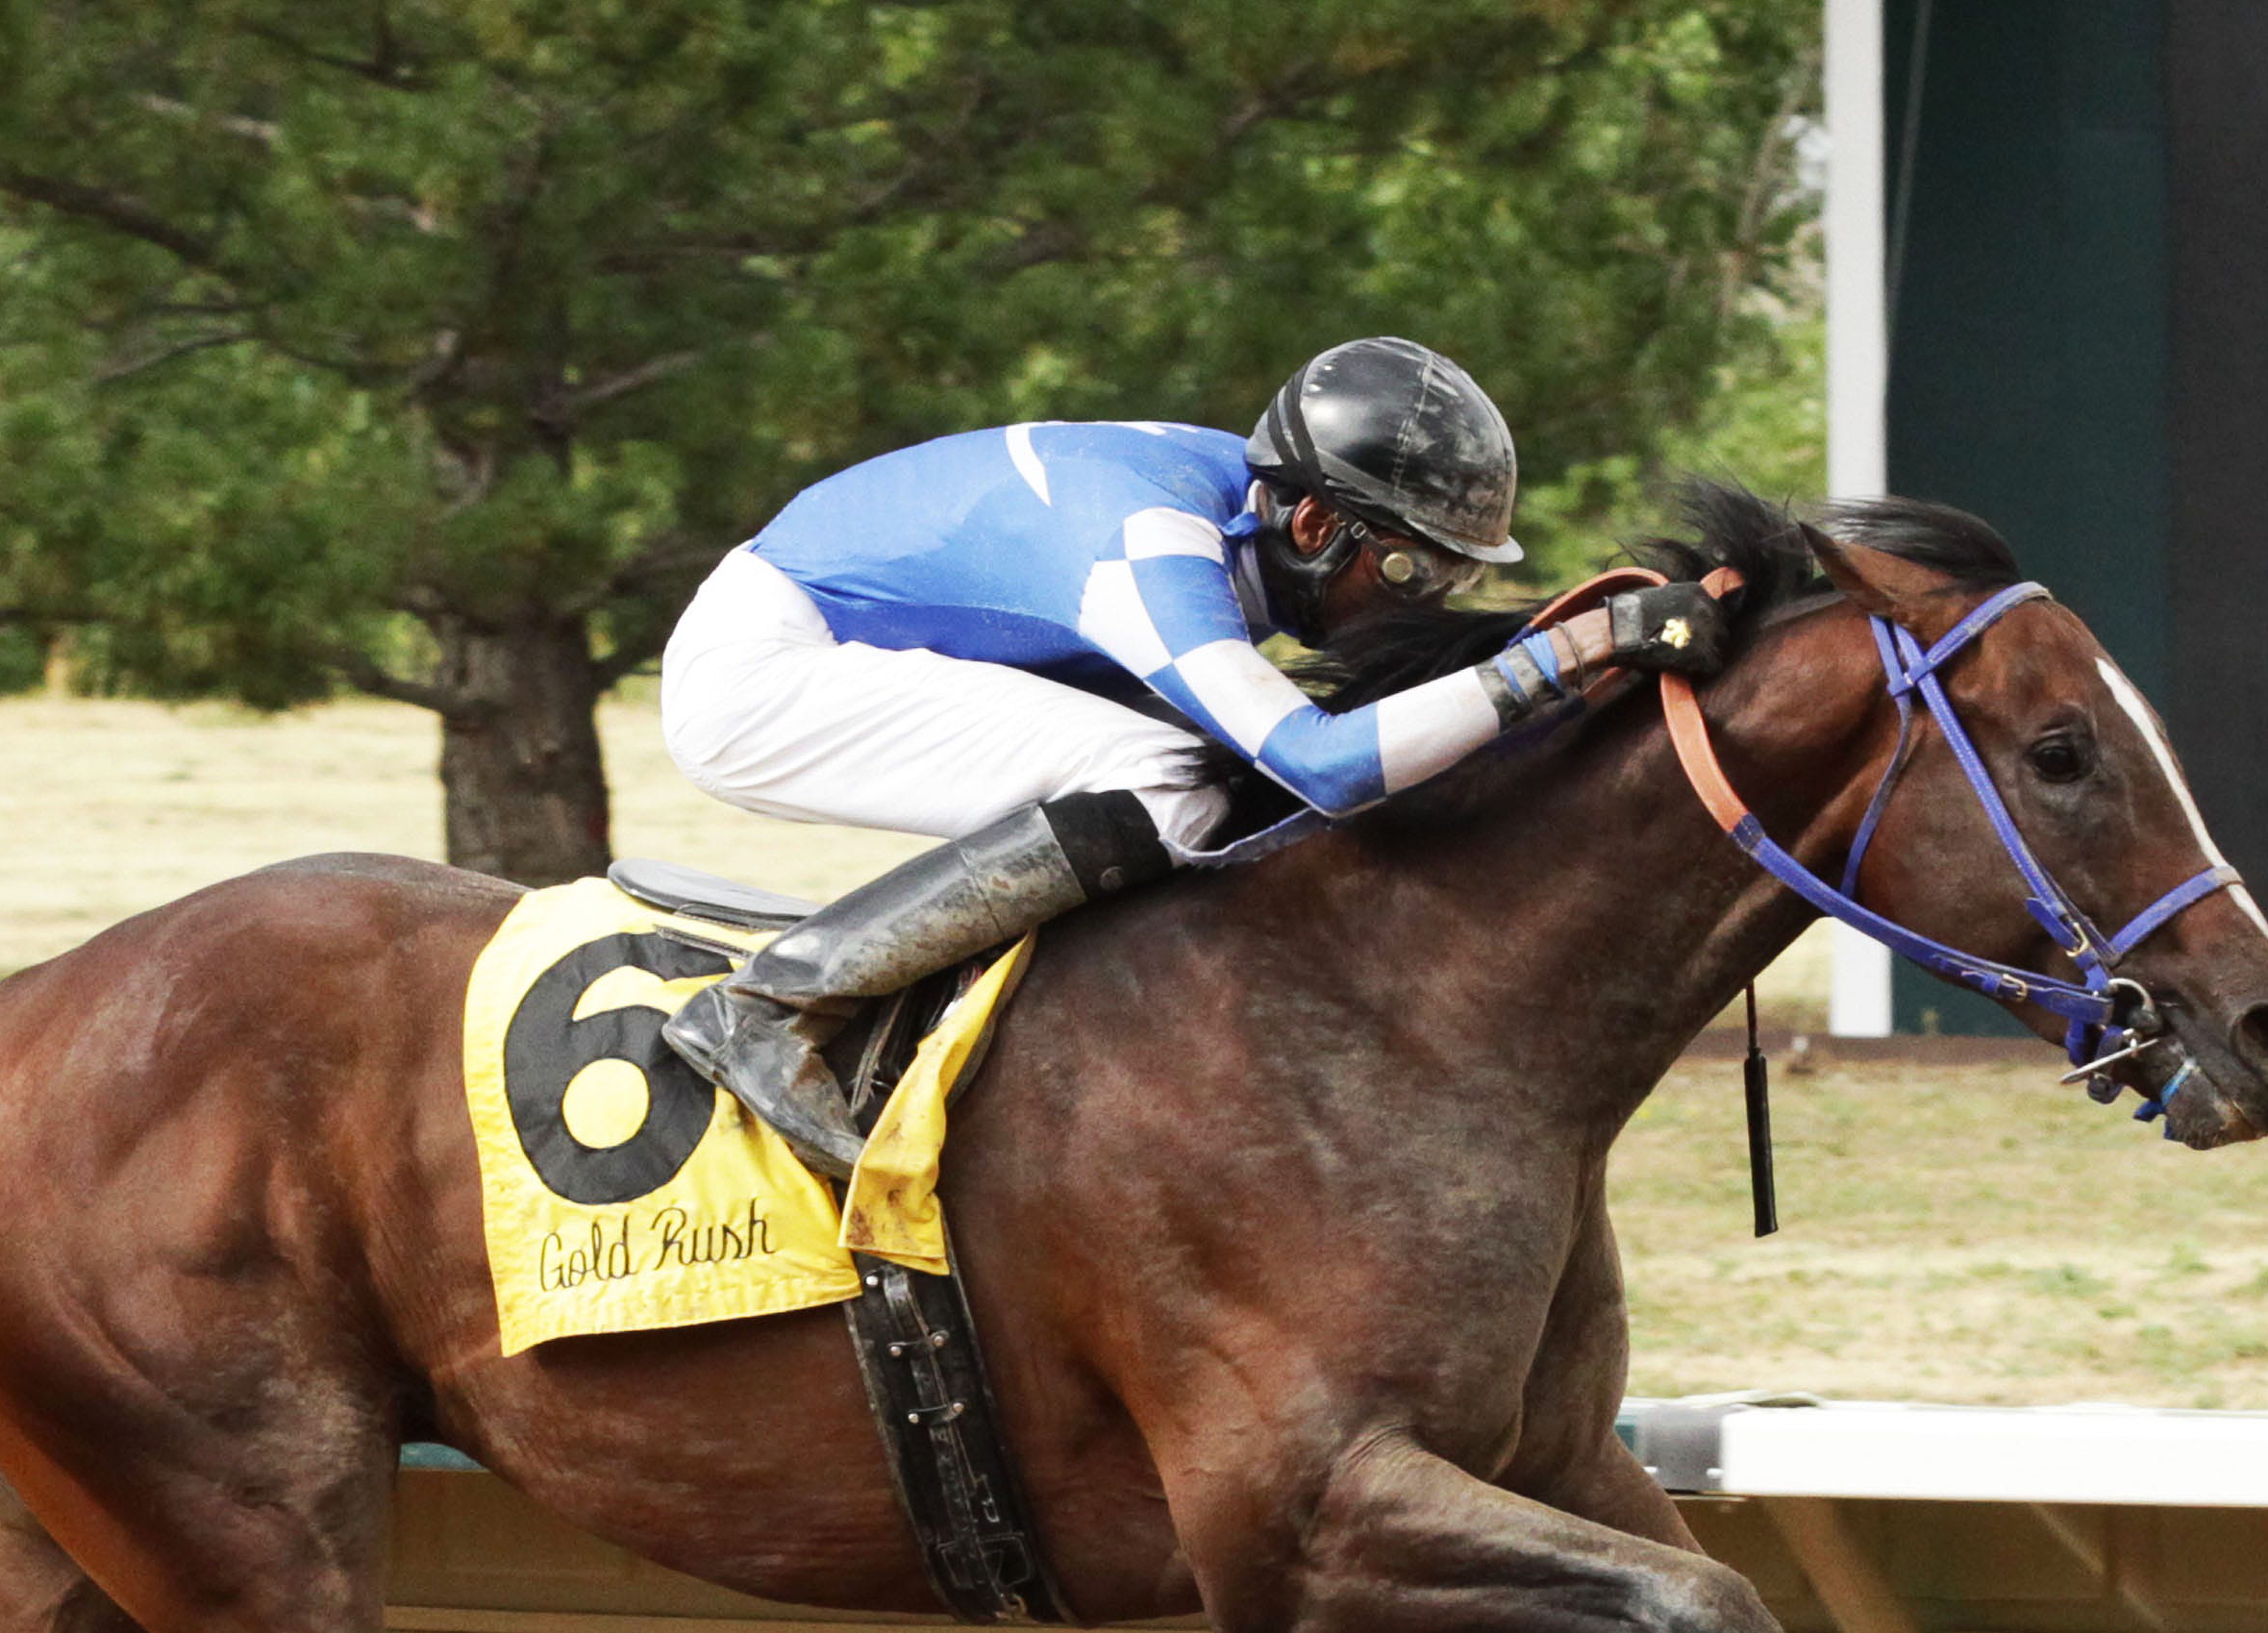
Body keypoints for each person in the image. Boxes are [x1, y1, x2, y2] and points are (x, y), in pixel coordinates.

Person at [655, 336, 1727, 1173]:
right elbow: (1327, 766)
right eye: (1413, 577)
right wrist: (1567, 653)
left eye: (1456, 580)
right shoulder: (1152, 547)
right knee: (1166, 784)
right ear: (1317, 528)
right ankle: (770, 1007)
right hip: (763, 677)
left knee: (1202, 781)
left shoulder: (1257, 501)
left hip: (850, 626)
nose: (1426, 606)